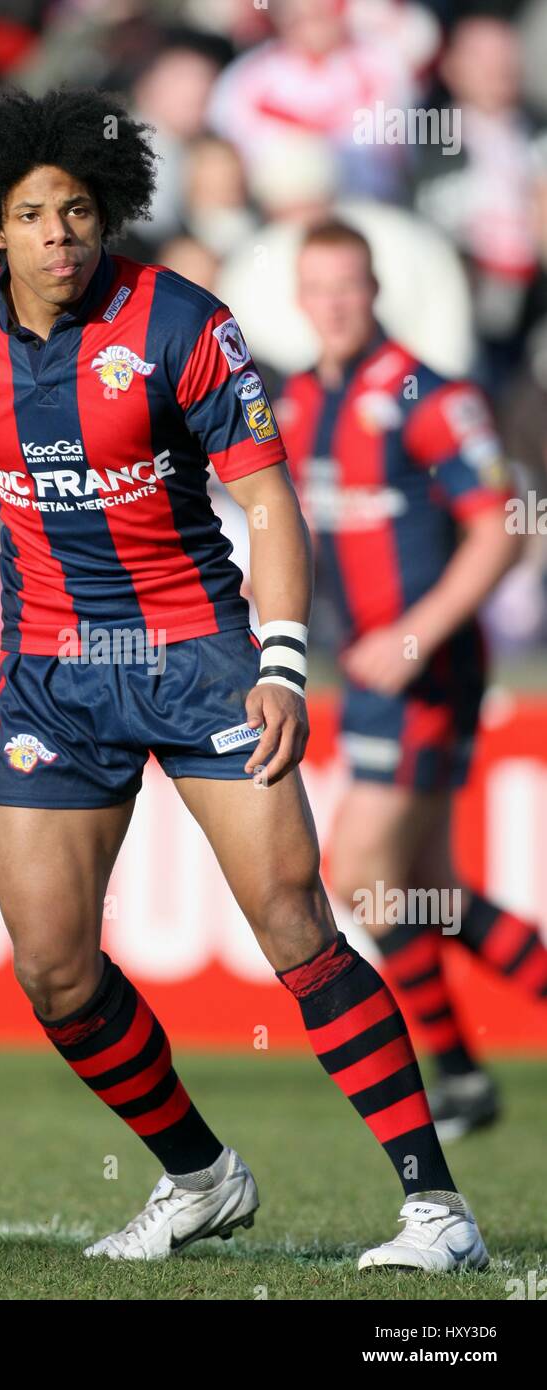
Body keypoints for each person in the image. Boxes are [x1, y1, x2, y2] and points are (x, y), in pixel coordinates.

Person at [0, 87, 487, 1270]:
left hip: (198, 659)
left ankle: (436, 1210)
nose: (60, 233)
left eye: (78, 210)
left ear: (107, 216)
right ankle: (200, 1177)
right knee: (53, 971)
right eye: (32, 214)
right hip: (51, 676)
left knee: (296, 924)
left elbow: (266, 498)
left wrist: (279, 662)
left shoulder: (178, 323)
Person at [278, 219, 547, 1140]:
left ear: (375, 288)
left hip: (425, 669)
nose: (334, 304)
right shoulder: (299, 403)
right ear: (298, 298)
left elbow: (504, 524)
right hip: (369, 671)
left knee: (357, 872)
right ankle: (464, 1080)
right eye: (318, 288)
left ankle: (459, 1073)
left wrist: (413, 635)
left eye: (348, 285)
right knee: (416, 890)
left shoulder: (425, 395)